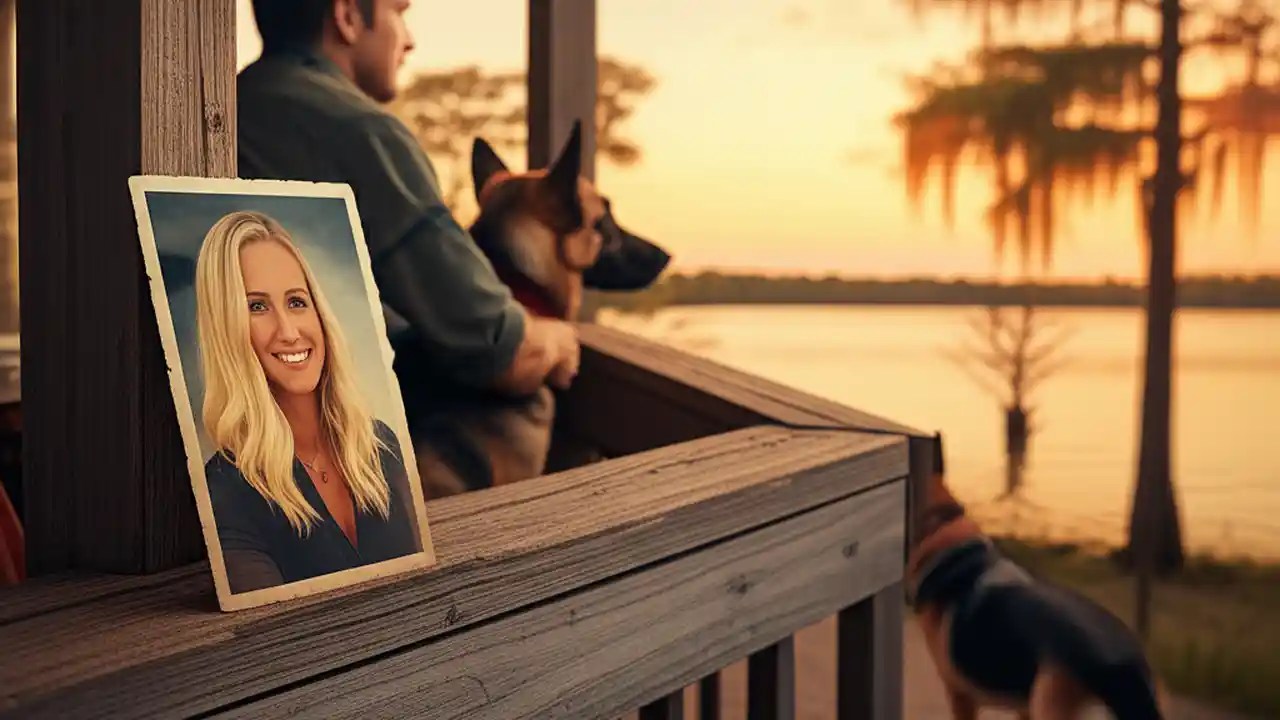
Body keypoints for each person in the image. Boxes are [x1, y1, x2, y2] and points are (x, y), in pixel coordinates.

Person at [236, 0, 582, 494]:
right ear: (348, 16)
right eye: (399, 12)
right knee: (524, 398)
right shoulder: (360, 130)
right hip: (326, 438)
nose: (410, 39)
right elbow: (495, 347)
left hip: (252, 421)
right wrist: (558, 338)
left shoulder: (237, 105)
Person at [195, 210, 420, 593]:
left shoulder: (381, 444)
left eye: (297, 302)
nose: (288, 331)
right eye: (257, 307)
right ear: (227, 329)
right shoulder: (226, 491)